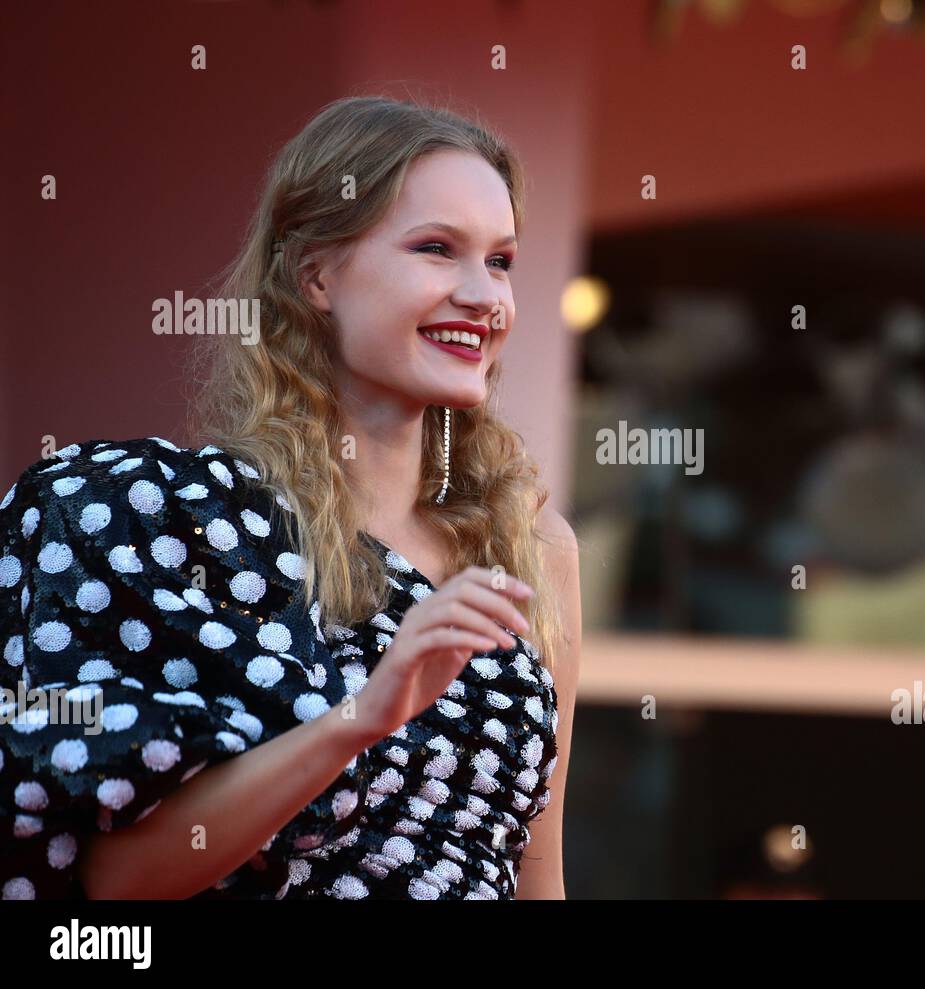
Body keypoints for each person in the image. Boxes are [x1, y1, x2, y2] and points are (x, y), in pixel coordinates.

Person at [0, 95, 581, 900]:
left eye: (502, 260)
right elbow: (119, 882)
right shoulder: (179, 524)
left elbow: (537, 878)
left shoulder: (533, 546)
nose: (485, 295)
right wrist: (365, 714)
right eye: (437, 249)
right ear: (316, 274)